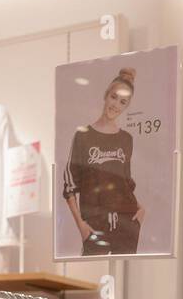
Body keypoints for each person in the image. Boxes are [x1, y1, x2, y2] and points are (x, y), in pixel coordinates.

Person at [62, 67, 146, 255]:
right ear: (106, 95)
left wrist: (140, 213)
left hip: (127, 226)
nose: (116, 105)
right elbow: (69, 186)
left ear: (126, 107)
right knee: (92, 279)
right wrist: (81, 226)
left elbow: (126, 182)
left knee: (126, 281)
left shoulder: (126, 139)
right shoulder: (83, 136)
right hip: (94, 228)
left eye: (123, 102)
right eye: (114, 97)